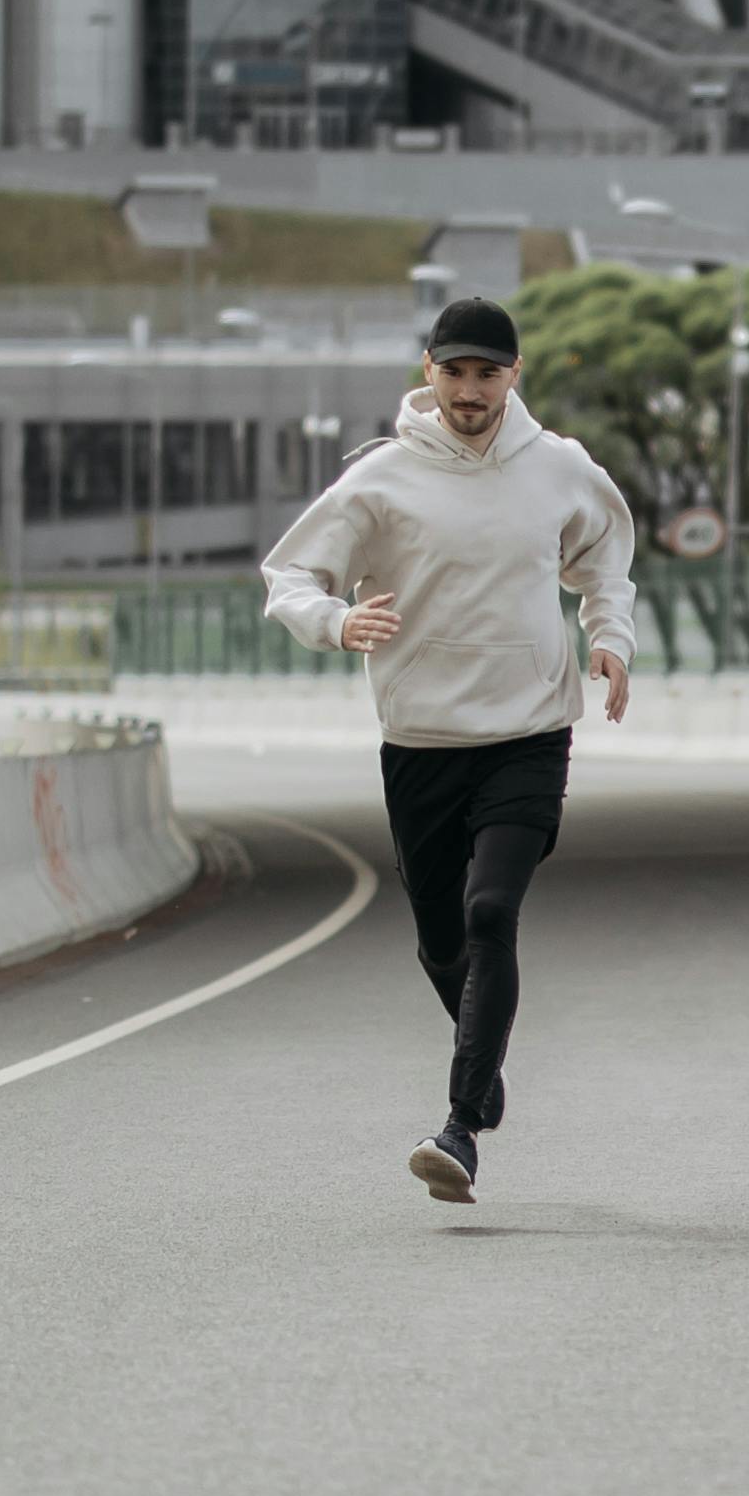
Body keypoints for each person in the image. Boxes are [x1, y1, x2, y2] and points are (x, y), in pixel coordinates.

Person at [258, 295, 637, 1209]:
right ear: (429, 369)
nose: (471, 389)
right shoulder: (378, 480)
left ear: (516, 374)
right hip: (421, 739)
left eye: (489, 372)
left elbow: (605, 563)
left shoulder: (560, 469)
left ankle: (459, 1126)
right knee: (439, 943)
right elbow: (287, 577)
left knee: (488, 913)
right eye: (455, 370)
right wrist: (337, 618)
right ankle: (485, 1060)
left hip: (530, 734)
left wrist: (610, 638)